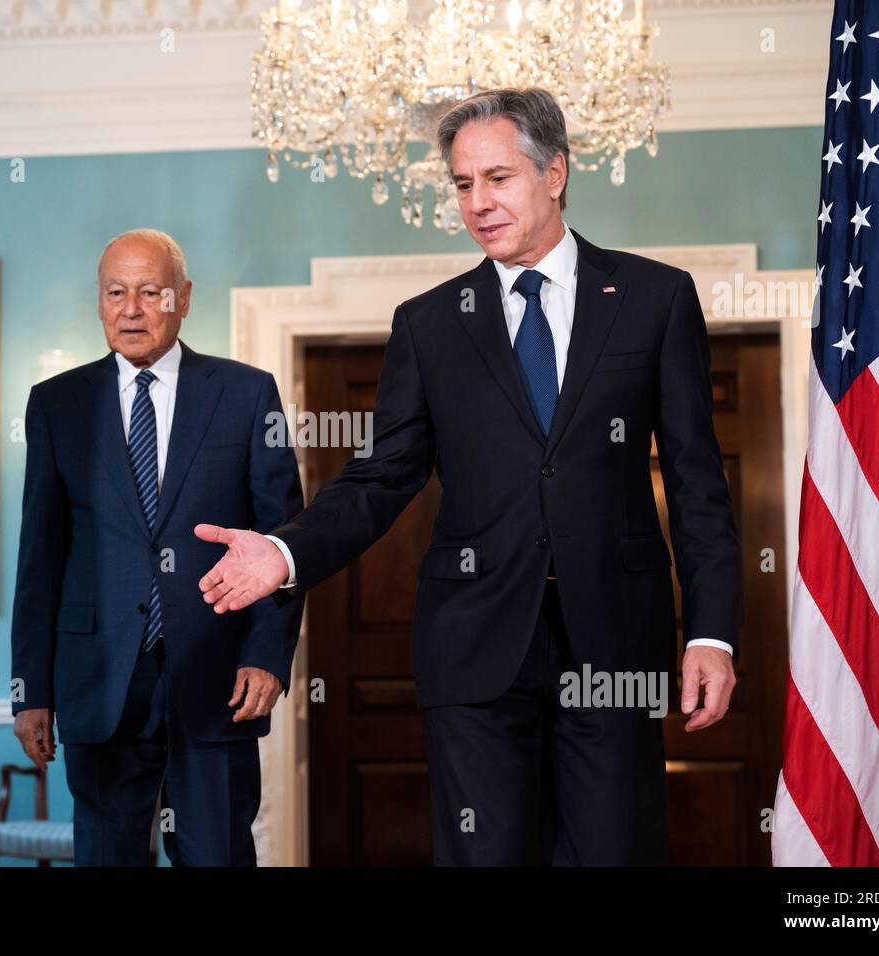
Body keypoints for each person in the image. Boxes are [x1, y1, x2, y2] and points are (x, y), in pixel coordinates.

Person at [195, 89, 742, 865]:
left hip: (616, 642)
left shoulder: (655, 298)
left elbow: (696, 482)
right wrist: (283, 554)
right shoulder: (429, 323)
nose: (477, 203)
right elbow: (381, 476)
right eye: (461, 185)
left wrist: (713, 634)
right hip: (476, 648)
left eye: (497, 178)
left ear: (555, 173)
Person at [10, 229, 304, 866]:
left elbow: (282, 544)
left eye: (150, 291)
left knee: (218, 856)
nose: (131, 308)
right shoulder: (57, 403)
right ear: (99, 302)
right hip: (99, 680)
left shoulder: (248, 394)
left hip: (218, 674)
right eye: (115, 292)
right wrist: (30, 688)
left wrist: (268, 656)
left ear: (184, 297)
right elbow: (40, 555)